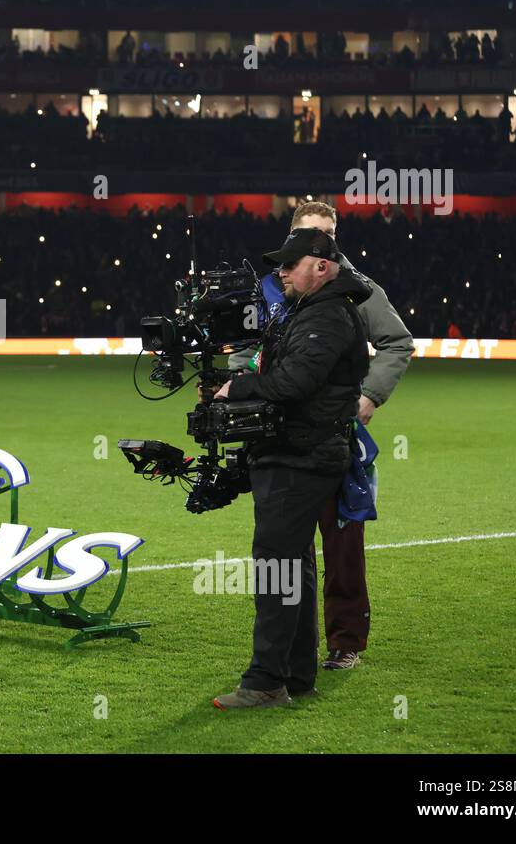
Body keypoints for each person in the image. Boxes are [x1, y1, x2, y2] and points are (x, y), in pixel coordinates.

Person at [210, 227, 371, 709]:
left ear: (321, 266)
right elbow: (283, 373)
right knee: (293, 563)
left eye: (289, 263)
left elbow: (296, 381)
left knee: (276, 565)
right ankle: (296, 675)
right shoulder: (310, 309)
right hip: (297, 452)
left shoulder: (328, 314)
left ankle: (265, 682)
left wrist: (238, 389)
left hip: (304, 456)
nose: (279, 271)